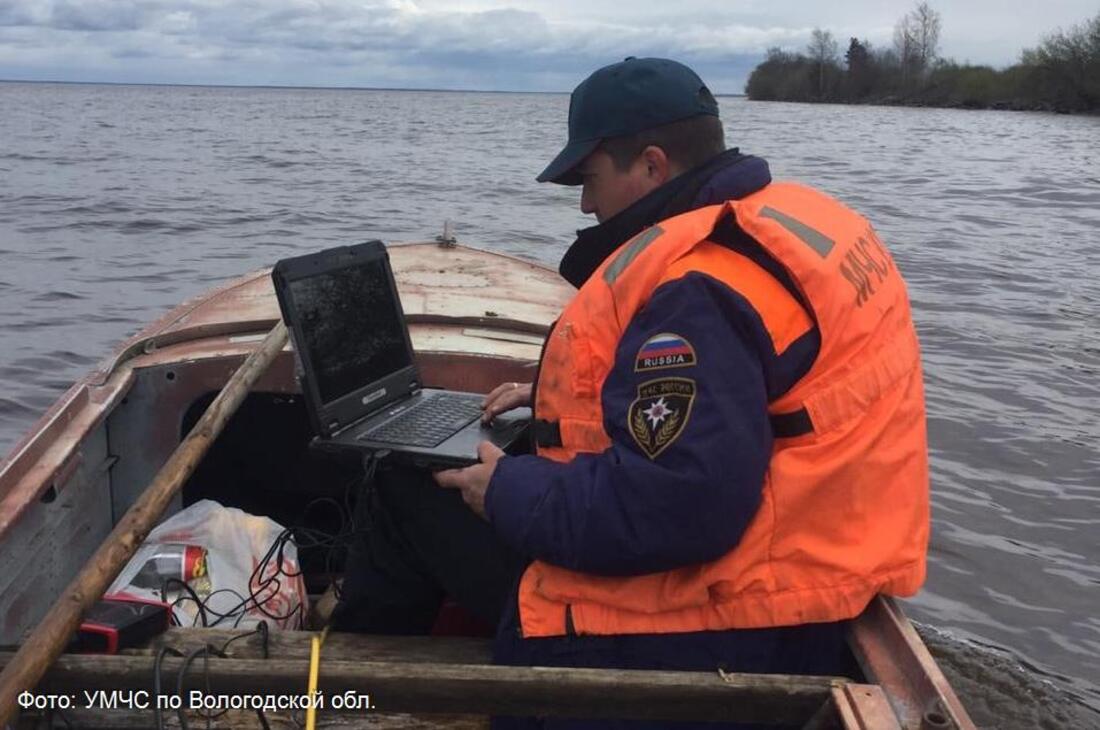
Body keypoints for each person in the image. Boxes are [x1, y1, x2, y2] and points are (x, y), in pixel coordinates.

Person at [337, 57, 930, 729]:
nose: (586, 205)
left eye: (589, 180)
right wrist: (555, 399)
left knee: (403, 486)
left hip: (719, 622)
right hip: (811, 573)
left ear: (651, 166)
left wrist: (505, 490)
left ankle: (355, 703)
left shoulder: (696, 293)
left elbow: (679, 509)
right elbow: (760, 392)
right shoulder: (796, 225)